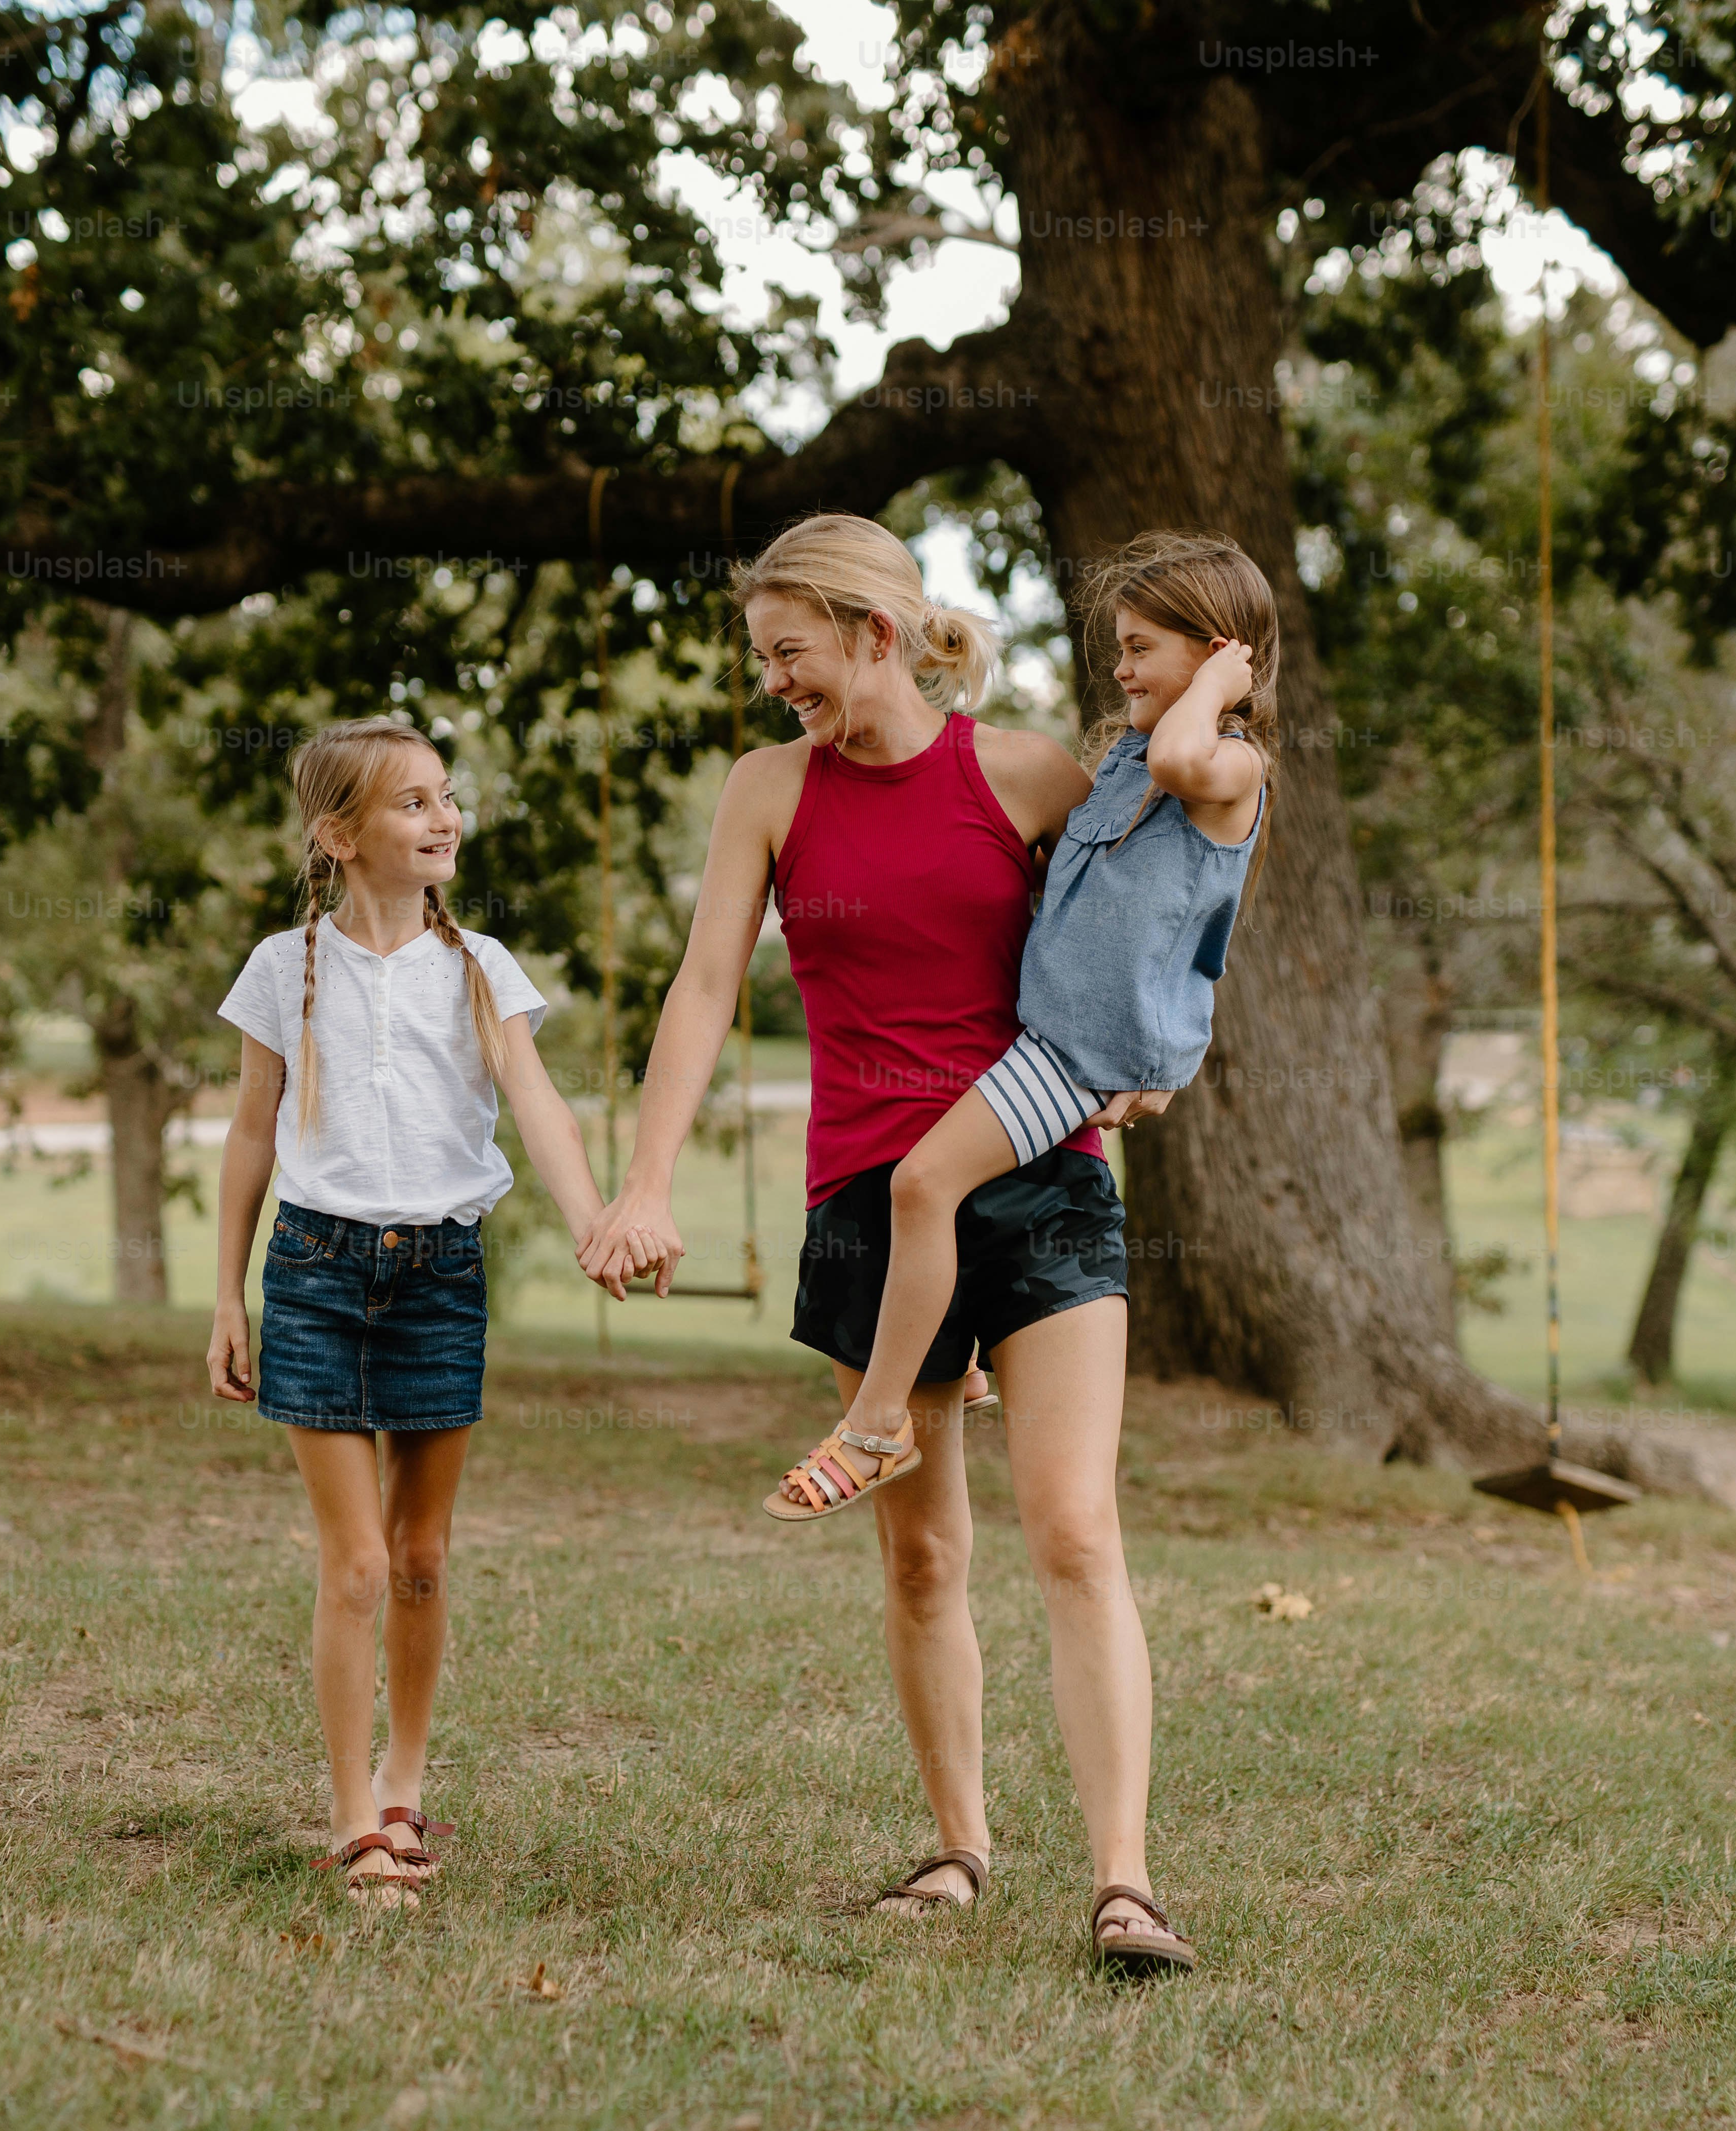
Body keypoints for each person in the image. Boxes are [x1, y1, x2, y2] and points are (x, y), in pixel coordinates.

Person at [578, 512, 1198, 1974]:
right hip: (870, 1201)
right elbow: (704, 985)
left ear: (873, 632)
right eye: (762, 657)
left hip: (1043, 1179)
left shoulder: (1025, 770)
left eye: (789, 650)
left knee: (1076, 1525)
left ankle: (1125, 1882)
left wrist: (1162, 1049)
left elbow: (1164, 902)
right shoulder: (769, 792)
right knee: (924, 1555)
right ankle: (958, 1848)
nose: (774, 680)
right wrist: (646, 1179)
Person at [764, 531, 1269, 1518]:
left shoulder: (1227, 760)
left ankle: (873, 1428)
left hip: (1082, 1051)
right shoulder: (1127, 763)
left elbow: (1182, 763)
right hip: (1058, 1036)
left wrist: (1221, 684)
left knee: (925, 1177)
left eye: (1140, 648)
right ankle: (972, 1354)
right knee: (939, 1187)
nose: (1118, 667)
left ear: (1214, 654)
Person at [206, 716, 608, 1909]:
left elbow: (537, 1105)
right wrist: (224, 1294)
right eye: (413, 803)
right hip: (316, 1272)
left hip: (440, 1273)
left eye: (447, 797)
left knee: (423, 1557)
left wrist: (592, 1214)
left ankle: (402, 1783)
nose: (445, 819)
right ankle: (349, 1822)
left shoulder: (482, 966)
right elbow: (247, 1134)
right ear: (339, 835)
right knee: (359, 1561)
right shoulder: (284, 969)